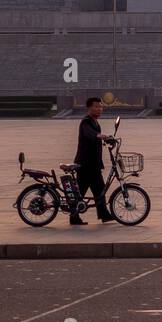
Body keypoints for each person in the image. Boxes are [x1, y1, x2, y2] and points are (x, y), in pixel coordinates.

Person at [71, 96, 115, 225]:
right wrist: (101, 136)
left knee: (98, 190)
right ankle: (77, 216)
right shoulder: (86, 122)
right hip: (85, 164)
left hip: (92, 164)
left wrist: (107, 139)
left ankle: (103, 214)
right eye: (96, 107)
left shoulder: (95, 122)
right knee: (87, 190)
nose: (99, 109)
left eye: (100, 107)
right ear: (89, 108)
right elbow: (90, 134)